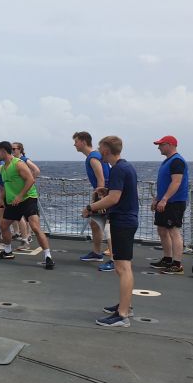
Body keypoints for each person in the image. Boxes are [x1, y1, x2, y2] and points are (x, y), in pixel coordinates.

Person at [82, 135, 138, 327]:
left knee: (123, 268)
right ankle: (125, 305)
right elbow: (119, 194)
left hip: (123, 221)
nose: (99, 151)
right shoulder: (125, 167)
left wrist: (91, 208)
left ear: (106, 149)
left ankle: (122, 315)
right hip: (125, 219)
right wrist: (107, 191)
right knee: (122, 266)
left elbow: (114, 199)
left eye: (100, 147)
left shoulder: (118, 169)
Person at [0, 142, 54, 269]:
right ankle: (8, 252)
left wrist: (20, 196)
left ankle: (48, 257)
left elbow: (31, 180)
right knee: (4, 225)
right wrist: (1, 198)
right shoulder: (2, 168)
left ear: (4, 151)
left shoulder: (18, 163)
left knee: (35, 227)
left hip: (28, 199)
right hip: (13, 202)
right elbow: (6, 186)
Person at [72, 131, 115, 270]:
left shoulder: (93, 158)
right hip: (102, 193)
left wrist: (99, 198)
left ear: (83, 142)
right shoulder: (93, 156)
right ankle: (97, 253)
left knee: (107, 226)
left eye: (76, 141)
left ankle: (114, 259)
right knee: (95, 223)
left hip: (104, 194)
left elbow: (101, 178)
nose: (74, 144)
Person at [150, 135, 189, 275]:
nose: (159, 147)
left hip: (174, 202)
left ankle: (177, 264)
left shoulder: (177, 161)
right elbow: (165, 182)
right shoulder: (168, 161)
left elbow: (176, 182)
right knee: (162, 229)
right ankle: (167, 259)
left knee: (173, 230)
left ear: (170, 144)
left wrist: (165, 199)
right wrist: (157, 199)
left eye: (161, 145)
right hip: (165, 201)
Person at [10, 142, 38, 247]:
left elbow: (36, 170)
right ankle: (24, 234)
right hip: (19, 191)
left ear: (20, 149)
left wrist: (29, 181)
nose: (12, 150)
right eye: (11, 149)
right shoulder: (14, 161)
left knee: (28, 216)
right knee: (23, 214)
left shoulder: (24, 160)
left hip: (27, 192)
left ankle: (28, 235)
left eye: (14, 149)